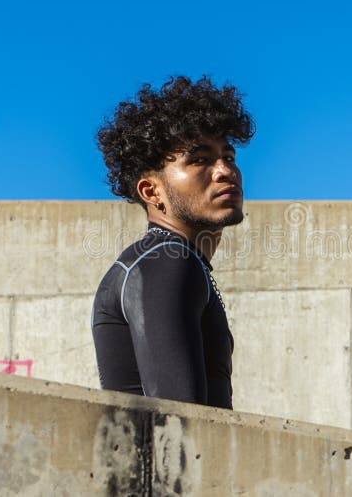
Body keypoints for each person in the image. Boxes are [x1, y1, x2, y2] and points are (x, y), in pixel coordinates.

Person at [91, 75, 254, 409]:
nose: (225, 170)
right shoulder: (167, 262)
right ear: (152, 191)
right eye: (200, 159)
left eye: (229, 156)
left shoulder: (172, 261)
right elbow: (180, 424)